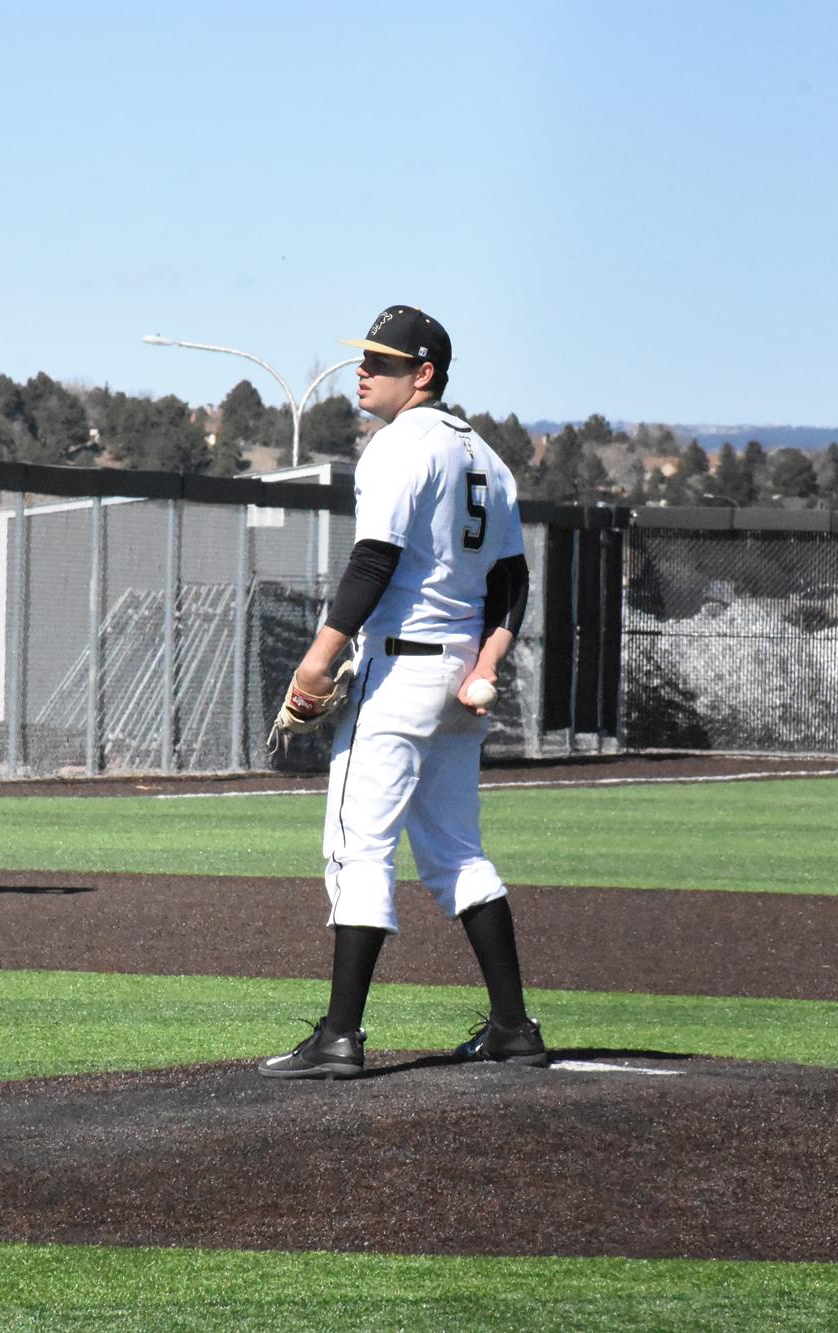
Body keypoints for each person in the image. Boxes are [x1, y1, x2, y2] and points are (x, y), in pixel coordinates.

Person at [259, 305, 545, 1079]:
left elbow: (373, 562)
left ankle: (341, 1036)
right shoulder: (489, 456)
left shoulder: (397, 447)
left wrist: (316, 662)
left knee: (359, 845)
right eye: (365, 358)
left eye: (382, 362)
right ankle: (514, 1026)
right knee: (457, 852)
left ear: (423, 374)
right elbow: (514, 581)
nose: (364, 371)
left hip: (399, 668)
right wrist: (486, 662)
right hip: (457, 682)